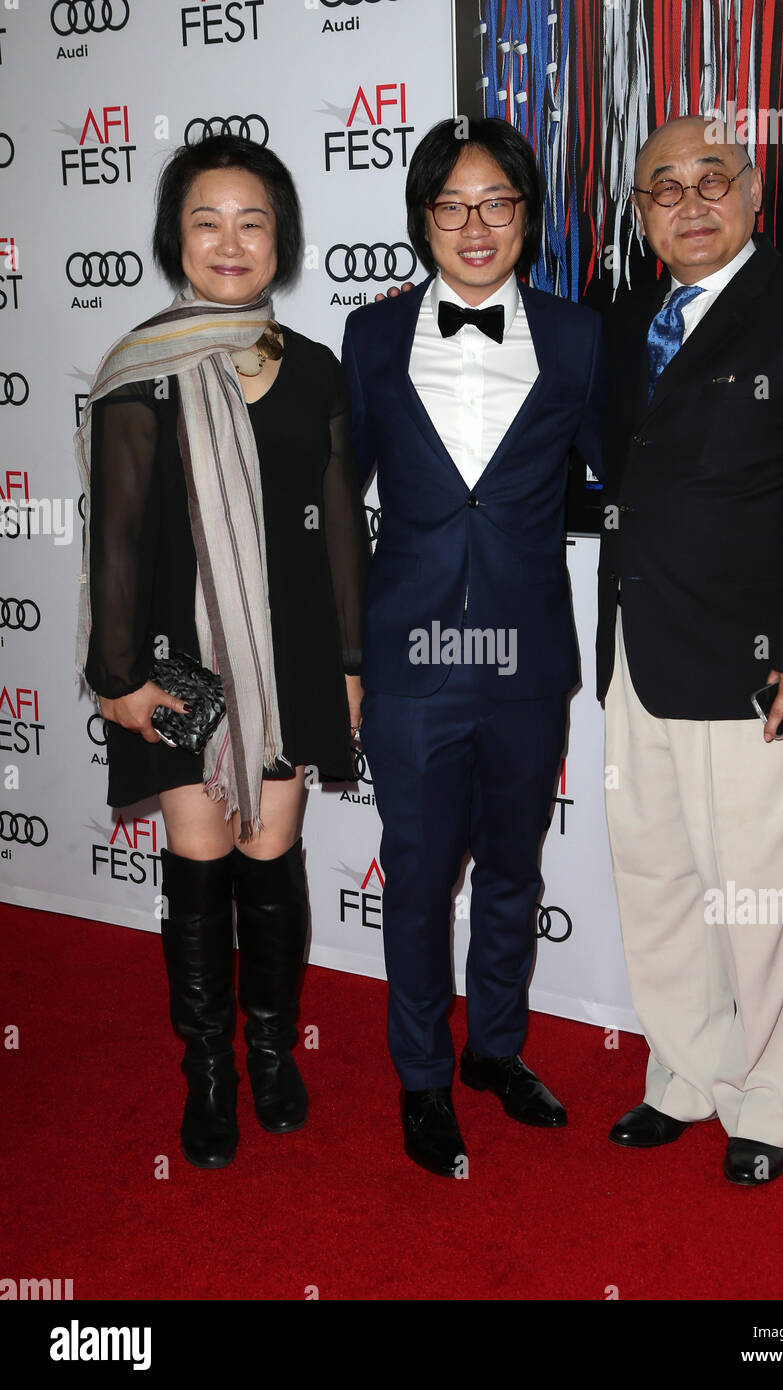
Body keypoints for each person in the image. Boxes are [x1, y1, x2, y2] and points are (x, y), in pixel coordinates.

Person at [597, 116, 783, 1184]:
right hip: (637, 652)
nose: (687, 200)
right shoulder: (627, 324)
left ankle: (764, 1100)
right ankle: (681, 1072)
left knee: (757, 898)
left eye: (708, 177)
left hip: (757, 664)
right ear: (639, 216)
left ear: (753, 191)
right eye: (660, 187)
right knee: (657, 880)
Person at [75, 134, 369, 1169]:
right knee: (198, 866)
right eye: (208, 221)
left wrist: (348, 660)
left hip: (289, 665)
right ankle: (206, 1072)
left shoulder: (316, 370)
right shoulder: (136, 372)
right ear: (175, 238)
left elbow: (340, 524)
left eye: (253, 221)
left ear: (278, 238)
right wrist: (118, 677)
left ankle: (272, 1052)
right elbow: (112, 534)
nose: (230, 241)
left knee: (270, 859)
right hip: (174, 663)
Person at [341, 117, 606, 1176]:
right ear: (420, 221)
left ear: (525, 215)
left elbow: (632, 475)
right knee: (414, 876)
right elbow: (330, 497)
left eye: (496, 201)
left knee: (510, 866)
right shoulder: (370, 338)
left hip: (525, 657)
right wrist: (342, 654)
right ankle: (420, 1077)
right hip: (406, 662)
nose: (474, 223)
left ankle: (495, 1051)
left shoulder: (578, 336)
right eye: (450, 204)